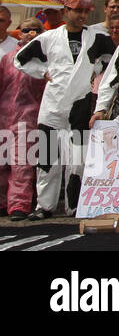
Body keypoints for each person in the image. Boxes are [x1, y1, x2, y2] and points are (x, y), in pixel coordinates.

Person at [14, 0, 116, 219]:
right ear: (66, 11)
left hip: (80, 106)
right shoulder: (48, 38)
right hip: (52, 107)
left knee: (77, 161)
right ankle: (44, 206)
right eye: (78, 11)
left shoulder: (98, 37)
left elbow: (113, 59)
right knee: (47, 158)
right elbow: (20, 59)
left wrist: (97, 70)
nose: (82, 16)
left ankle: (74, 206)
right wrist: (42, 72)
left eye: (85, 12)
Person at [0, 18, 44, 219]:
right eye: (26, 30)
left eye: (35, 30)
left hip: (28, 117)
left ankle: (19, 204)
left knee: (22, 163)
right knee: (1, 162)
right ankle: (2, 202)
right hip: (3, 116)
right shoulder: (8, 58)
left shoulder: (44, 61)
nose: (30, 34)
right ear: (19, 32)